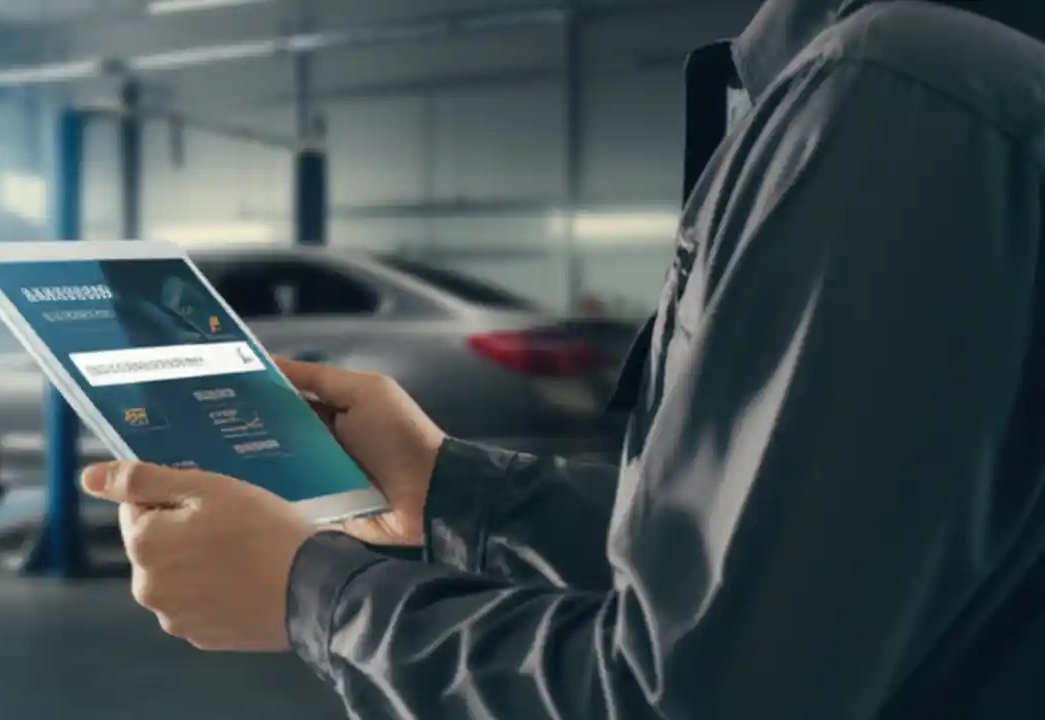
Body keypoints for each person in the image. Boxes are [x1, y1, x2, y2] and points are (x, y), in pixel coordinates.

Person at [80, 0, 1045, 717]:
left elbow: (680, 696)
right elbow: (787, 566)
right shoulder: (927, 82)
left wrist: (314, 595)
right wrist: (450, 490)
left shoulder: (892, 93)